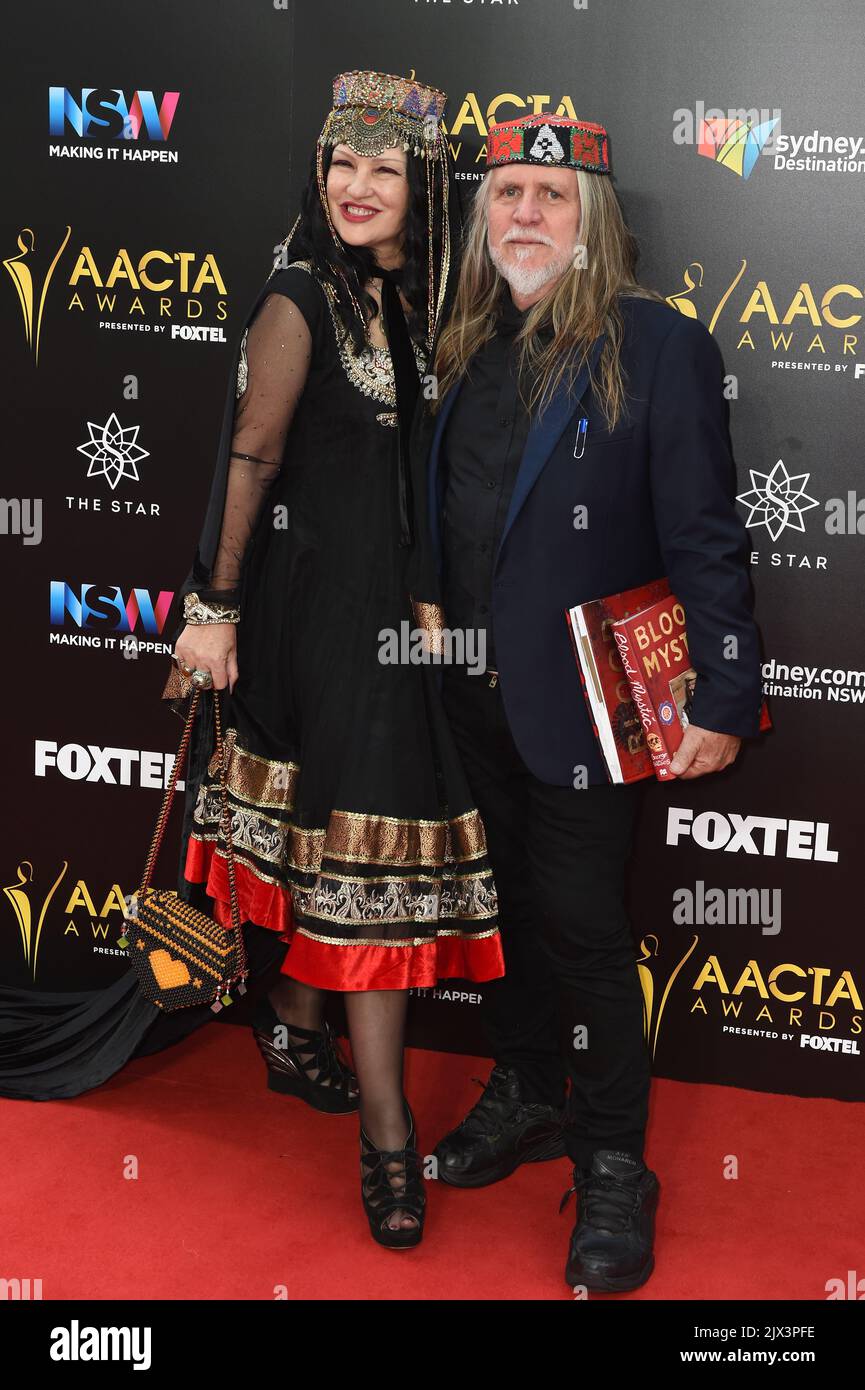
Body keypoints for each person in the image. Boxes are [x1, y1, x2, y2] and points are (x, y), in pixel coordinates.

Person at [0, 71, 505, 1252]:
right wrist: (214, 608)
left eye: (383, 168)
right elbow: (249, 458)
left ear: (420, 184)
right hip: (313, 619)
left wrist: (433, 601)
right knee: (370, 864)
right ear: (317, 172)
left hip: (399, 623)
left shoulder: (411, 298)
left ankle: (287, 1011)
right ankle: (388, 1140)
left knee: (347, 843)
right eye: (341, 164)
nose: (356, 186)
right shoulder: (297, 297)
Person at [408, 112, 763, 1290]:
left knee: (584, 930)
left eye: (551, 195)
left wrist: (725, 686)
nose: (524, 214)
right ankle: (525, 1091)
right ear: (481, 216)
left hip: (588, 712)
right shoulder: (463, 343)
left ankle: (614, 1161)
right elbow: (453, 517)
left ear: (591, 217)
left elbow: (705, 530)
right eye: (506, 192)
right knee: (502, 916)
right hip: (468, 700)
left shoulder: (655, 346)